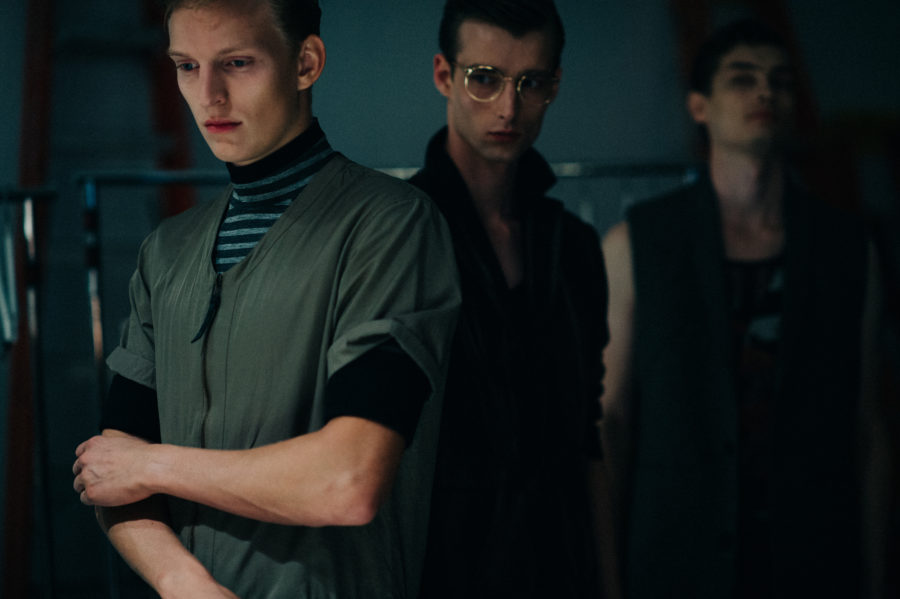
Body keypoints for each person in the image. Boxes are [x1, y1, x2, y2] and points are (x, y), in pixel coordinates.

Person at [71, 0, 460, 597]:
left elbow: (348, 482)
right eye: (186, 66)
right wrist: (181, 580)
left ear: (306, 63)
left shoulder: (391, 227)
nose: (209, 95)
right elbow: (108, 471)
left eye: (237, 62)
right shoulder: (166, 253)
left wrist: (152, 465)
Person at [601, 18, 886, 598]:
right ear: (699, 106)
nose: (765, 92)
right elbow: (611, 424)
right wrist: (606, 579)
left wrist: (881, 578)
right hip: (675, 566)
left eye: (780, 81)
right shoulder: (638, 243)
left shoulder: (848, 248)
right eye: (742, 78)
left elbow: (869, 426)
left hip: (814, 561)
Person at [409, 1, 619, 597]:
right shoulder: (400, 235)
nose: (508, 107)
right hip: (443, 574)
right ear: (444, 75)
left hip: (561, 568)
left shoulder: (572, 244)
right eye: (484, 79)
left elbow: (587, 438)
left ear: (554, 85)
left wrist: (610, 584)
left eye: (531, 83)